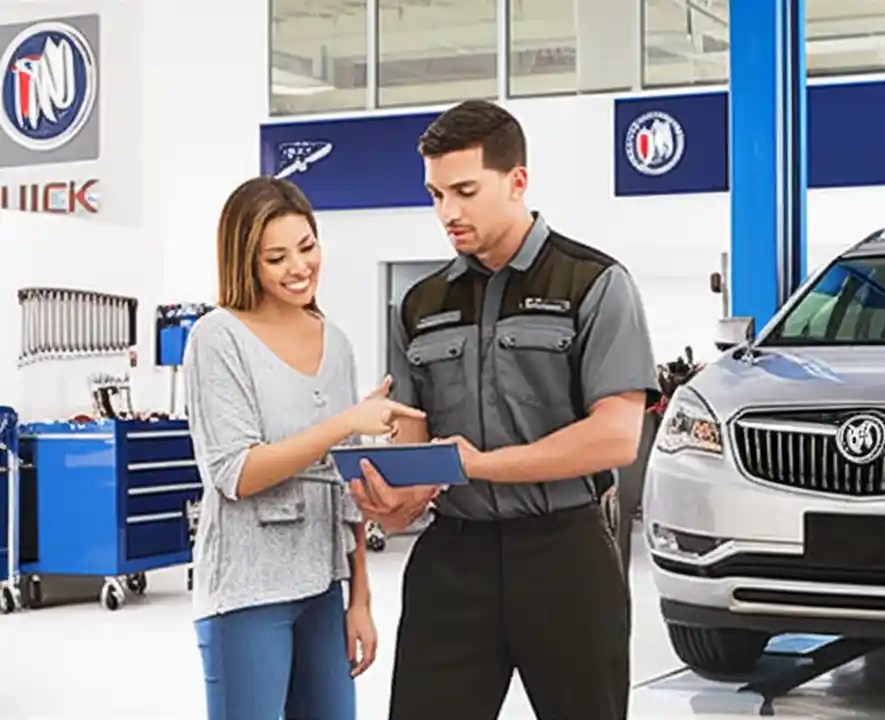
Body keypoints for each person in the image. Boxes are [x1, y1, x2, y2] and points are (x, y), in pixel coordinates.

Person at [348, 99, 660, 720]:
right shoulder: (419, 304)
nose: (448, 212)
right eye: (436, 194)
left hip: (565, 555)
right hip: (453, 561)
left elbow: (616, 438)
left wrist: (481, 465)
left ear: (517, 180)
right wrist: (394, 494)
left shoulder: (594, 284)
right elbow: (419, 446)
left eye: (465, 190)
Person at [184, 176, 426, 720]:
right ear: (245, 262)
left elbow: (347, 486)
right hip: (246, 592)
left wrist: (359, 597)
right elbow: (235, 472)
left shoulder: (333, 342)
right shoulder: (217, 337)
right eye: (277, 257)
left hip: (322, 585)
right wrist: (345, 422)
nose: (299, 267)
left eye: (308, 247)